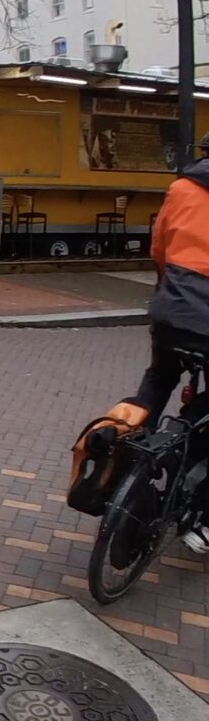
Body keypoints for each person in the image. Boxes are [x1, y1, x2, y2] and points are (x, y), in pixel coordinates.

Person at [131, 133, 209, 553]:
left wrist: (168, 289)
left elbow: (158, 247)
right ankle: (201, 520)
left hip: (173, 309)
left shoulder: (181, 188)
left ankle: (128, 453)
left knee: (159, 377)